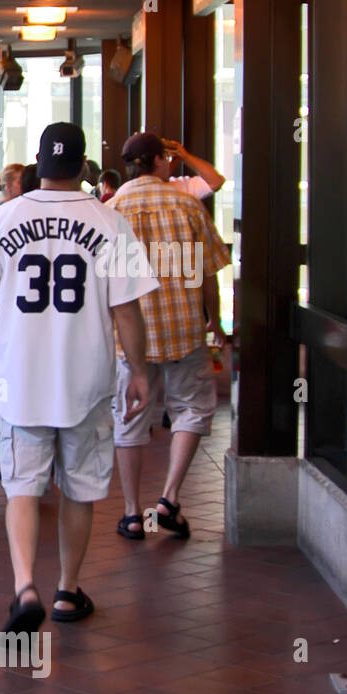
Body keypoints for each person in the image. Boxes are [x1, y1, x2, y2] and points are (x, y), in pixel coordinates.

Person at [0, 122, 157, 633]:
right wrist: (138, 371)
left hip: (20, 379)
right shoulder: (111, 223)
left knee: (22, 488)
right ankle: (68, 590)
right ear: (82, 166)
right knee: (79, 489)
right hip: (86, 381)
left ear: (40, 165)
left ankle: (25, 586)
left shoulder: (3, 219)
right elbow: (129, 310)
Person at [110, 131, 231, 542]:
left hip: (130, 339)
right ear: (160, 160)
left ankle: (130, 513)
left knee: (128, 420)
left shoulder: (112, 209)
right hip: (184, 331)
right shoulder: (187, 204)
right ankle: (168, 499)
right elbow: (209, 272)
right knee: (192, 411)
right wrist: (214, 319)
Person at [113, 134, 225, 202]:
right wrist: (185, 156)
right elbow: (216, 181)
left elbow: (215, 181)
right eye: (166, 157)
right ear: (157, 160)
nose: (168, 162)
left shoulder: (120, 197)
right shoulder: (182, 196)